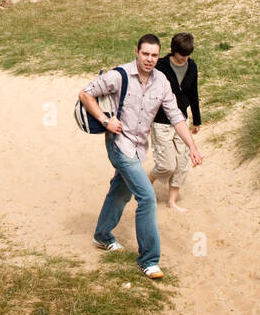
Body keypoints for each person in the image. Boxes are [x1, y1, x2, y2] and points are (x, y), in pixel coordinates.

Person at [81, 34, 202, 281]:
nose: (149, 59)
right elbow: (86, 94)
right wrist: (106, 120)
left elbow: (176, 116)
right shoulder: (119, 75)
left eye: (154, 55)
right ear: (137, 51)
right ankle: (149, 261)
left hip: (138, 148)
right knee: (146, 197)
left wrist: (192, 146)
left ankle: (102, 236)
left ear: (159, 56)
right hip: (118, 146)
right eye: (145, 54)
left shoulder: (162, 82)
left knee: (121, 191)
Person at [149, 32, 202, 211]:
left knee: (182, 164)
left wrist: (197, 119)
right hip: (160, 121)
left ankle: (172, 201)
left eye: (188, 56)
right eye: (181, 56)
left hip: (182, 121)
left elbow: (193, 93)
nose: (184, 59)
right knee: (167, 165)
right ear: (173, 51)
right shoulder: (160, 66)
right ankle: (146, 184)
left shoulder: (192, 66)